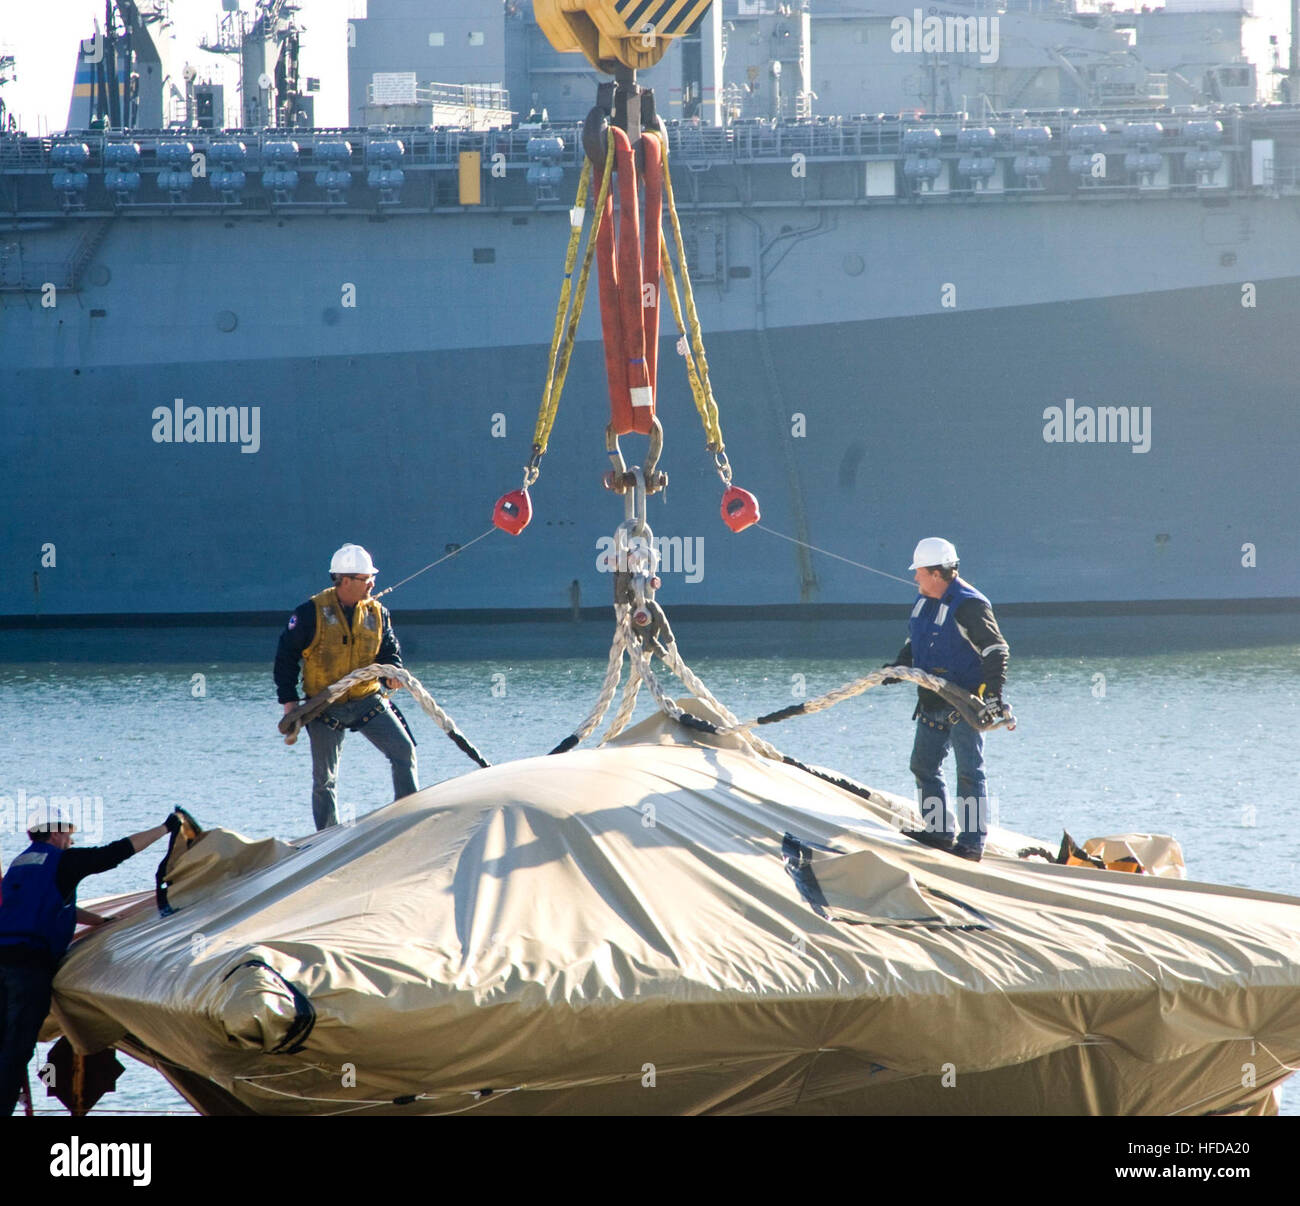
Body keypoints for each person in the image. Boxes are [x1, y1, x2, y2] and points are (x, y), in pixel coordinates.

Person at [1, 805, 176, 1116]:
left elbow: (40, 906)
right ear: (55, 833)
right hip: (27, 969)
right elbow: (113, 854)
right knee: (15, 1049)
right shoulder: (63, 861)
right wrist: (165, 829)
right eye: (68, 833)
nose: (71, 839)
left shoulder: (20, 864)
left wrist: (99, 922)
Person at [275, 544, 418, 831]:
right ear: (346, 581)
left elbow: (389, 651)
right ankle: (328, 837)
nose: (372, 584)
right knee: (324, 780)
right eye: (367, 579)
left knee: (404, 752)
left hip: (368, 700)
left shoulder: (378, 613)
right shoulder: (309, 614)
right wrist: (289, 703)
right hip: (324, 706)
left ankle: (407, 821)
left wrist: (392, 673)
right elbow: (286, 657)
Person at [886, 538, 1011, 861]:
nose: (915, 578)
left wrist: (994, 695)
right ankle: (939, 832)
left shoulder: (970, 605)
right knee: (923, 766)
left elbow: (996, 650)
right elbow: (917, 640)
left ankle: (971, 843)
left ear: (937, 574)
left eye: (920, 573)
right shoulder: (924, 600)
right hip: (931, 702)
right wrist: (897, 667)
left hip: (963, 707)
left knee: (970, 773)